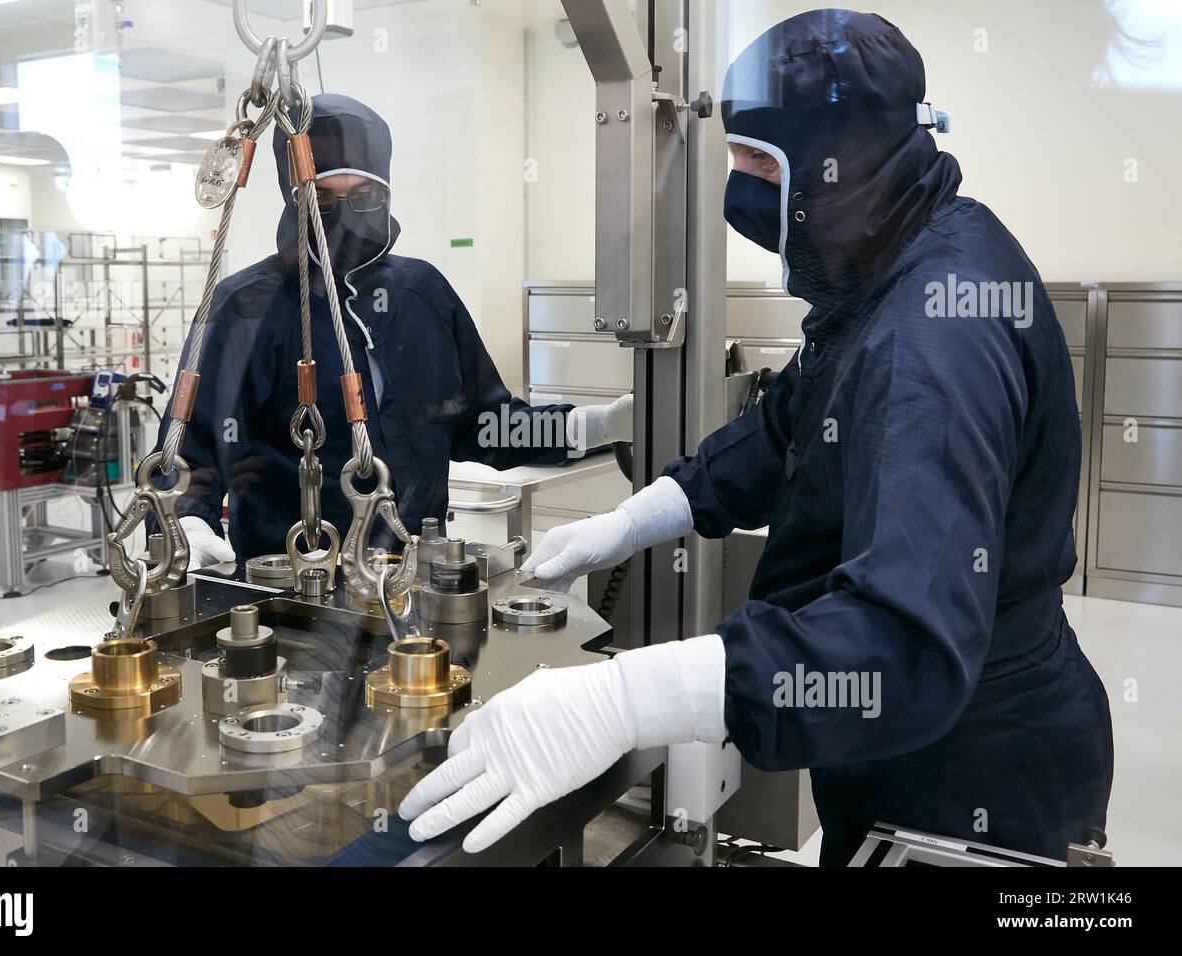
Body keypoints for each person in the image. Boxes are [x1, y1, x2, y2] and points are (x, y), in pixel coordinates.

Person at [399, 9, 1113, 864]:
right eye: (733, 157)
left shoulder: (934, 337)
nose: (739, 188)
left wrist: (623, 700)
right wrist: (633, 520)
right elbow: (785, 430)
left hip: (972, 766)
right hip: (908, 752)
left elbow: (901, 648)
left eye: (758, 163)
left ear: (838, 162)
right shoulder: (892, 265)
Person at [162, 93, 632, 567]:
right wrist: (188, 521)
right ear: (294, 198)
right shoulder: (245, 306)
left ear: (384, 194)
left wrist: (590, 425)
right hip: (292, 579)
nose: (344, 216)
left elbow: (483, 425)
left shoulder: (422, 293)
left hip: (415, 573)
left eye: (363, 197)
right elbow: (194, 445)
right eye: (322, 200)